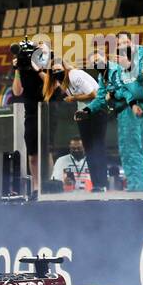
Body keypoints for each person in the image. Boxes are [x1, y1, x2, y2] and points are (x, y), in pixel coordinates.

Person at [111, 33, 143, 190]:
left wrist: (131, 67)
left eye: (126, 42)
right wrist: (132, 103)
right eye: (120, 44)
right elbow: (122, 88)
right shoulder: (119, 64)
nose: (124, 46)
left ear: (133, 43)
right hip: (138, 106)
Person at [55, 54, 106, 192]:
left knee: (98, 148)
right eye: (53, 71)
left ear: (64, 68)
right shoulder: (63, 83)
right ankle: (97, 185)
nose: (56, 72)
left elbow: (94, 94)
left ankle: (103, 184)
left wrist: (74, 98)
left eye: (58, 69)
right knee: (89, 150)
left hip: (96, 110)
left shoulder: (74, 75)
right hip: (83, 114)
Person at [10, 38, 51, 194]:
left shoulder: (48, 63)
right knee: (32, 154)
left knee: (46, 151)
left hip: (47, 110)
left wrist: (37, 69)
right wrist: (17, 70)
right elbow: (17, 92)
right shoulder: (22, 66)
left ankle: (47, 183)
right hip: (31, 112)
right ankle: (36, 187)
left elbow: (51, 85)